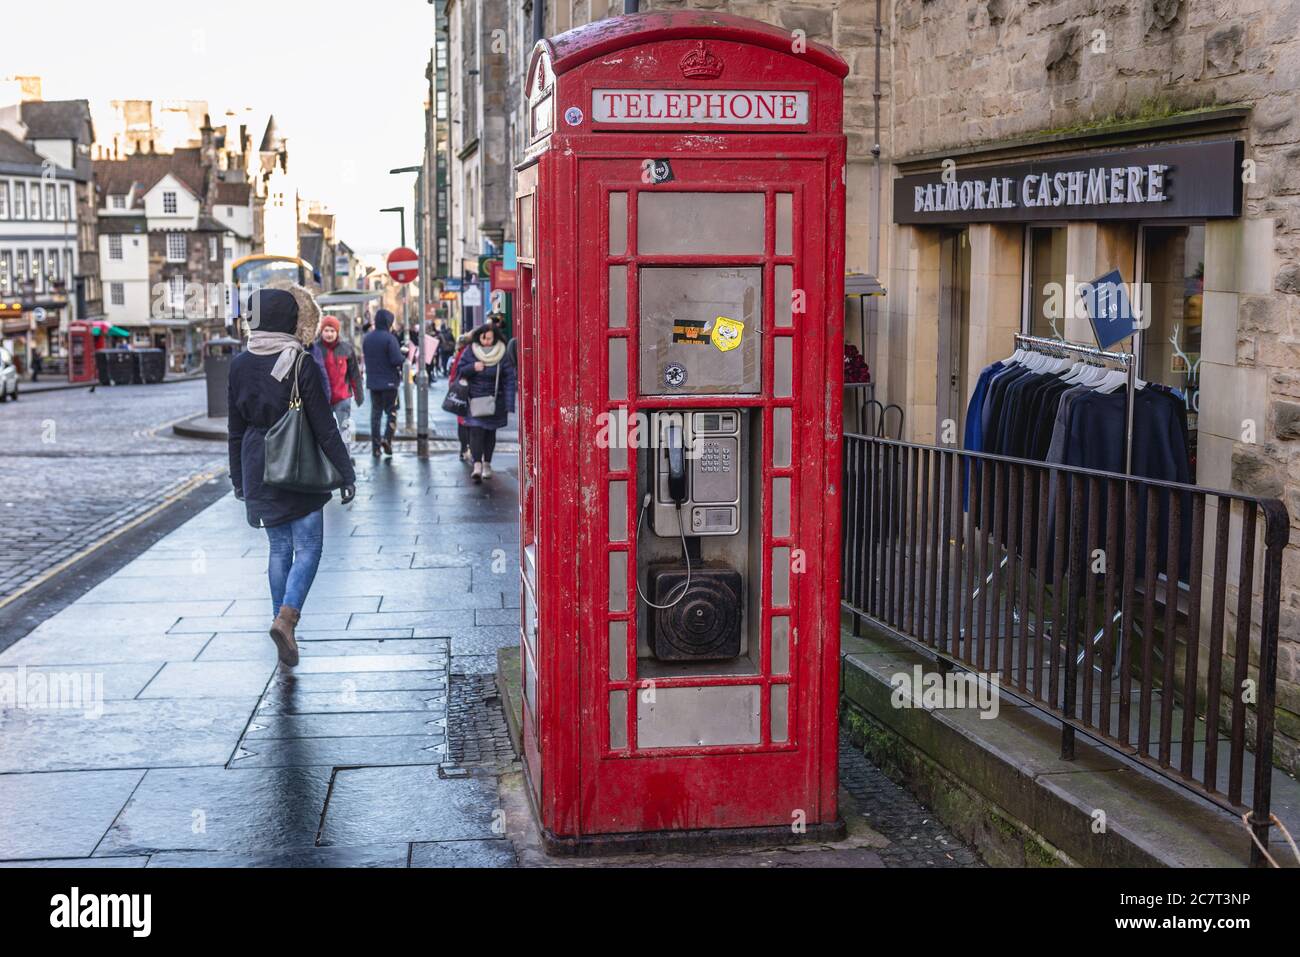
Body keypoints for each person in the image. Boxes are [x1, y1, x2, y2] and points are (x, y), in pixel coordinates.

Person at [227, 285, 356, 667]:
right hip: (298, 465)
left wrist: (239, 481)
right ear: (290, 320)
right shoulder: (301, 362)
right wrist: (345, 472)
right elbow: (324, 426)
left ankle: (282, 627)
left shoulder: (238, 364)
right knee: (310, 548)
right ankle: (287, 618)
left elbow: (234, 429)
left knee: (279, 549)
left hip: (257, 466)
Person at [457, 323, 516, 483]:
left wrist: (509, 404)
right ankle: (477, 465)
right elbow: (460, 371)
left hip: (495, 401)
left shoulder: (502, 353)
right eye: (483, 338)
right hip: (474, 399)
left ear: (495, 337)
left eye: (490, 338)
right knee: (476, 432)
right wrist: (472, 367)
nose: (486, 341)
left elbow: (509, 378)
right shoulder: (471, 351)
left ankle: (487, 464)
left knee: (490, 433)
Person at [310, 315, 363, 443]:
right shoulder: (315, 349)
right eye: (326, 330)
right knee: (324, 432)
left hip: (342, 398)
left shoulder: (346, 348)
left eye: (332, 331)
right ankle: (326, 461)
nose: (329, 334)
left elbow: (354, 374)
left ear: (337, 332)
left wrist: (358, 395)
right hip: (322, 399)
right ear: (321, 331)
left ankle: (346, 459)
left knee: (345, 431)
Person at [362, 308, 405, 457]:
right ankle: (387, 439)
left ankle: (375, 447)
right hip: (390, 383)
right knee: (391, 412)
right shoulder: (389, 338)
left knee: (375, 415)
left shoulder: (367, 338)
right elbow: (396, 360)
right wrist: (404, 356)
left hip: (373, 383)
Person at [447, 332, 474, 462]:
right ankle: (469, 448)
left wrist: (452, 384)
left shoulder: (460, 352)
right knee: (470, 420)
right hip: (470, 390)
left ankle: (464, 449)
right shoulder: (470, 352)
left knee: (462, 420)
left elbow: (454, 373)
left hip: (461, 389)